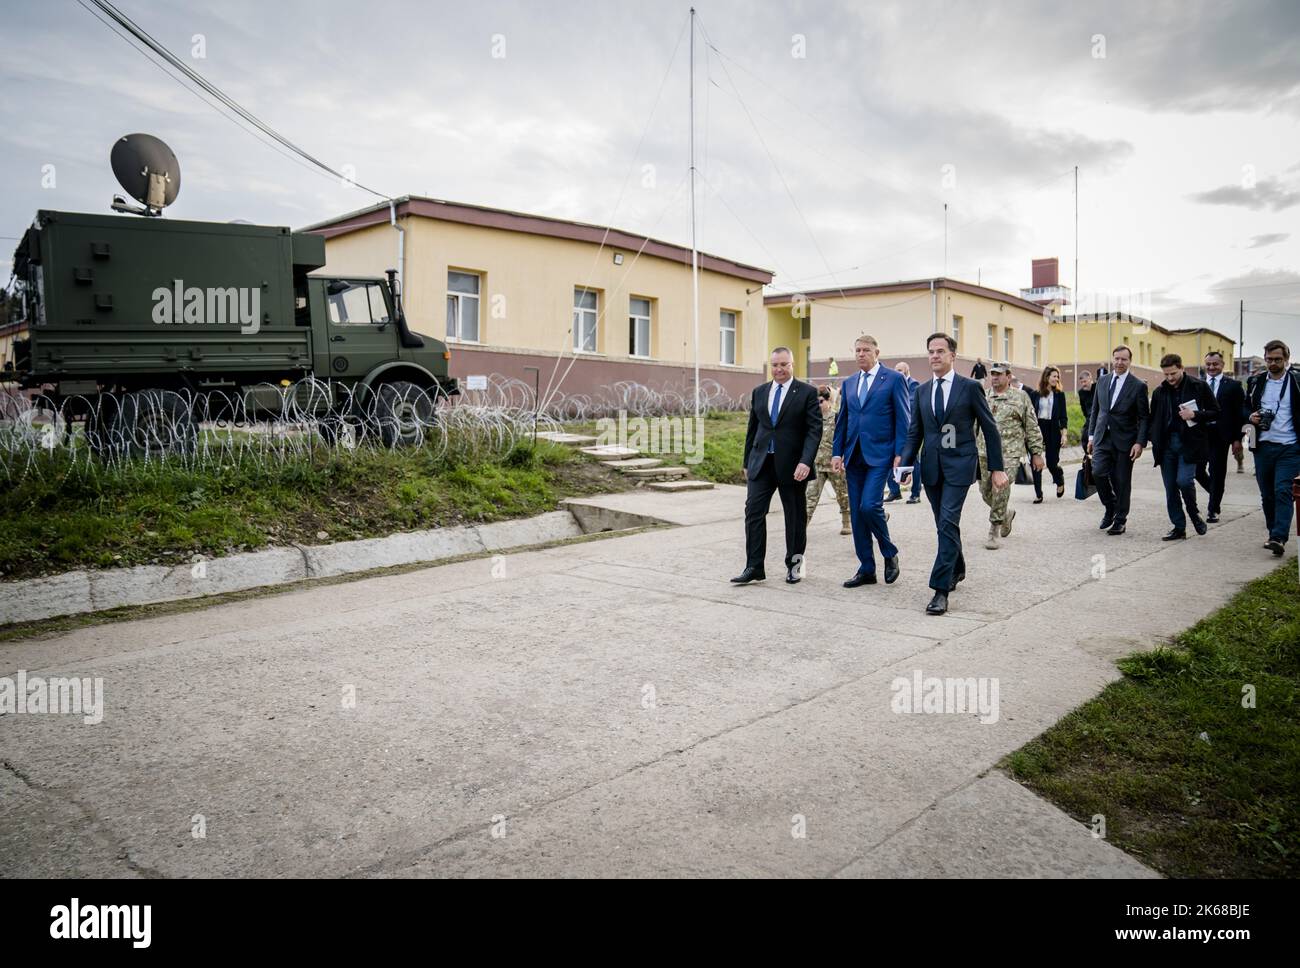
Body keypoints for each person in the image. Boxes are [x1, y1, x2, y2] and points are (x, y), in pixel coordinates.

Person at [900, 333, 1006, 615]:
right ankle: (957, 566)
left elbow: (989, 427)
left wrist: (996, 468)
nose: (934, 356)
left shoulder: (969, 387)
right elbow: (915, 432)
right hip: (932, 468)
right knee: (943, 524)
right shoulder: (921, 391)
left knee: (947, 520)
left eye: (940, 351)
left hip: (960, 466)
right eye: (931, 351)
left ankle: (940, 589)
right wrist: (905, 466)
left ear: (952, 356)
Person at [733, 347, 822, 585]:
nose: (779, 369)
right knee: (753, 512)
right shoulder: (760, 392)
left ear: (793, 365)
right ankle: (754, 566)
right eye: (775, 365)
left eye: (784, 364)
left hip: (793, 466)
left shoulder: (806, 393)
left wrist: (806, 461)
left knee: (794, 516)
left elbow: (814, 431)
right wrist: (746, 462)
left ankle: (794, 566)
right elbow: (753, 429)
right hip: (761, 463)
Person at [831, 335, 911, 587]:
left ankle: (889, 552)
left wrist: (902, 453)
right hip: (854, 455)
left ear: (877, 352)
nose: (861, 354)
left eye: (866, 350)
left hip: (881, 454)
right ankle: (867, 568)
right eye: (857, 350)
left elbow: (903, 418)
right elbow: (842, 419)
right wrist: (837, 452)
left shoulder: (894, 379)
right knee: (857, 514)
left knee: (869, 506)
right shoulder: (850, 382)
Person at [1146, 353, 1218, 539]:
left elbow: (1216, 412)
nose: (1170, 378)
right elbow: (1153, 418)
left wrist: (1195, 414)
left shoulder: (1199, 386)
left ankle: (1194, 514)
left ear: (1182, 368)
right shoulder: (1159, 392)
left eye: (1173, 374)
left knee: (1184, 481)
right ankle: (1179, 527)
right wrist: (1152, 437)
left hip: (1189, 444)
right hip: (1166, 446)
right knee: (1171, 489)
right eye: (1166, 374)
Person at [978, 362, 1045, 549]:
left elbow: (1031, 426)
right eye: (992, 374)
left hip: (1010, 453)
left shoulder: (1020, 397)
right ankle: (1006, 514)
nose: (995, 378)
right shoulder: (983, 396)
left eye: (999, 374)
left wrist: (1036, 453)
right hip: (984, 451)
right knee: (985, 491)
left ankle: (994, 529)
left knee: (1000, 489)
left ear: (1009, 376)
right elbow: (975, 424)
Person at [1088, 345, 1150, 536]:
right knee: (1097, 472)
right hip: (1102, 438)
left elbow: (1144, 417)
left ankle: (1120, 520)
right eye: (1116, 358)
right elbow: (1096, 410)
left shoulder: (1138, 386)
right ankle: (1110, 506)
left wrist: (1140, 442)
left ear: (1130, 361)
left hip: (1126, 441)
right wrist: (1091, 436)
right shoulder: (1103, 381)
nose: (1119, 362)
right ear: (1112, 359)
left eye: (1124, 359)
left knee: (1122, 481)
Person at [1246, 340, 1300, 557]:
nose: (1273, 363)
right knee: (1267, 495)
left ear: (1286, 359)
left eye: (1278, 359)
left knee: (1283, 490)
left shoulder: (1296, 381)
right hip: (1262, 446)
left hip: (1290, 446)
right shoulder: (1256, 381)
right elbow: (1243, 408)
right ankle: (1273, 535)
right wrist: (1251, 417)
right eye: (1269, 359)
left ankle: (1279, 536)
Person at [1193, 350, 1246, 522]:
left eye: (1215, 364)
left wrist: (1238, 438)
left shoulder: (1233, 386)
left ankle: (1213, 509)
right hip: (1201, 435)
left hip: (1221, 436)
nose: (1211, 367)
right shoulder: (1197, 385)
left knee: (1217, 473)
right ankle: (1216, 494)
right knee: (1197, 471)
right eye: (1208, 364)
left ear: (1223, 365)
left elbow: (1240, 414)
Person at [805, 385, 852, 535]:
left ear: (827, 401)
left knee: (843, 495)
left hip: (834, 465)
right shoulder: (812, 420)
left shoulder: (837, 417)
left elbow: (846, 439)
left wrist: (844, 458)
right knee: (810, 497)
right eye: (815, 403)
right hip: (817, 465)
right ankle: (801, 527)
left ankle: (847, 522)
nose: (818, 406)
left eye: (820, 402)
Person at [1026, 366, 1068, 502]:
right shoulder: (1035, 394)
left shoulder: (1060, 395)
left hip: (1053, 429)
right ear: (1046, 377)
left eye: (1057, 377)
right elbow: (1030, 415)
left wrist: (1064, 434)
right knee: (1036, 461)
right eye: (1054, 376)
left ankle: (1059, 478)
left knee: (1051, 462)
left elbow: (1063, 417)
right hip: (1037, 428)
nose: (1056, 379)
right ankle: (1038, 494)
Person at [885, 361, 923, 504]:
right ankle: (894, 491)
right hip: (893, 430)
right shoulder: (892, 384)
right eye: (896, 370)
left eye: (901, 370)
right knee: (891, 459)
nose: (898, 372)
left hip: (910, 430)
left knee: (913, 461)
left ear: (907, 371)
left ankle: (915, 493)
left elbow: (910, 404)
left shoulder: (914, 385)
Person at [1077, 370, 1096, 442]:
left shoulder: (1097, 388)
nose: (1083, 384)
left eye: (1085, 381)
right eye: (1081, 382)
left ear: (1090, 379)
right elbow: (1083, 408)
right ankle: (1087, 453)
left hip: (1099, 417)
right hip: (1089, 418)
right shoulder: (1081, 392)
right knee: (1084, 437)